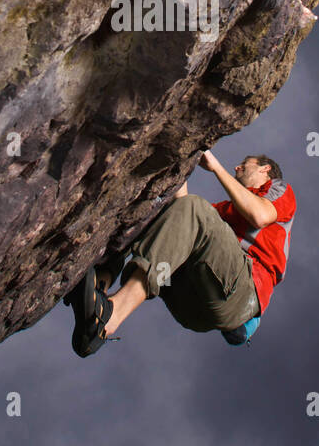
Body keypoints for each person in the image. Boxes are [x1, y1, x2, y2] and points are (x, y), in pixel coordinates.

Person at [69, 150, 296, 357]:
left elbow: (259, 215)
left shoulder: (278, 191)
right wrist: (182, 160)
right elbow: (181, 211)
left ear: (264, 169)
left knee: (195, 209)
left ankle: (111, 316)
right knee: (156, 216)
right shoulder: (223, 212)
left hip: (241, 295)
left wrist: (216, 167)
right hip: (194, 311)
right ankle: (99, 284)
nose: (238, 167)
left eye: (245, 163)